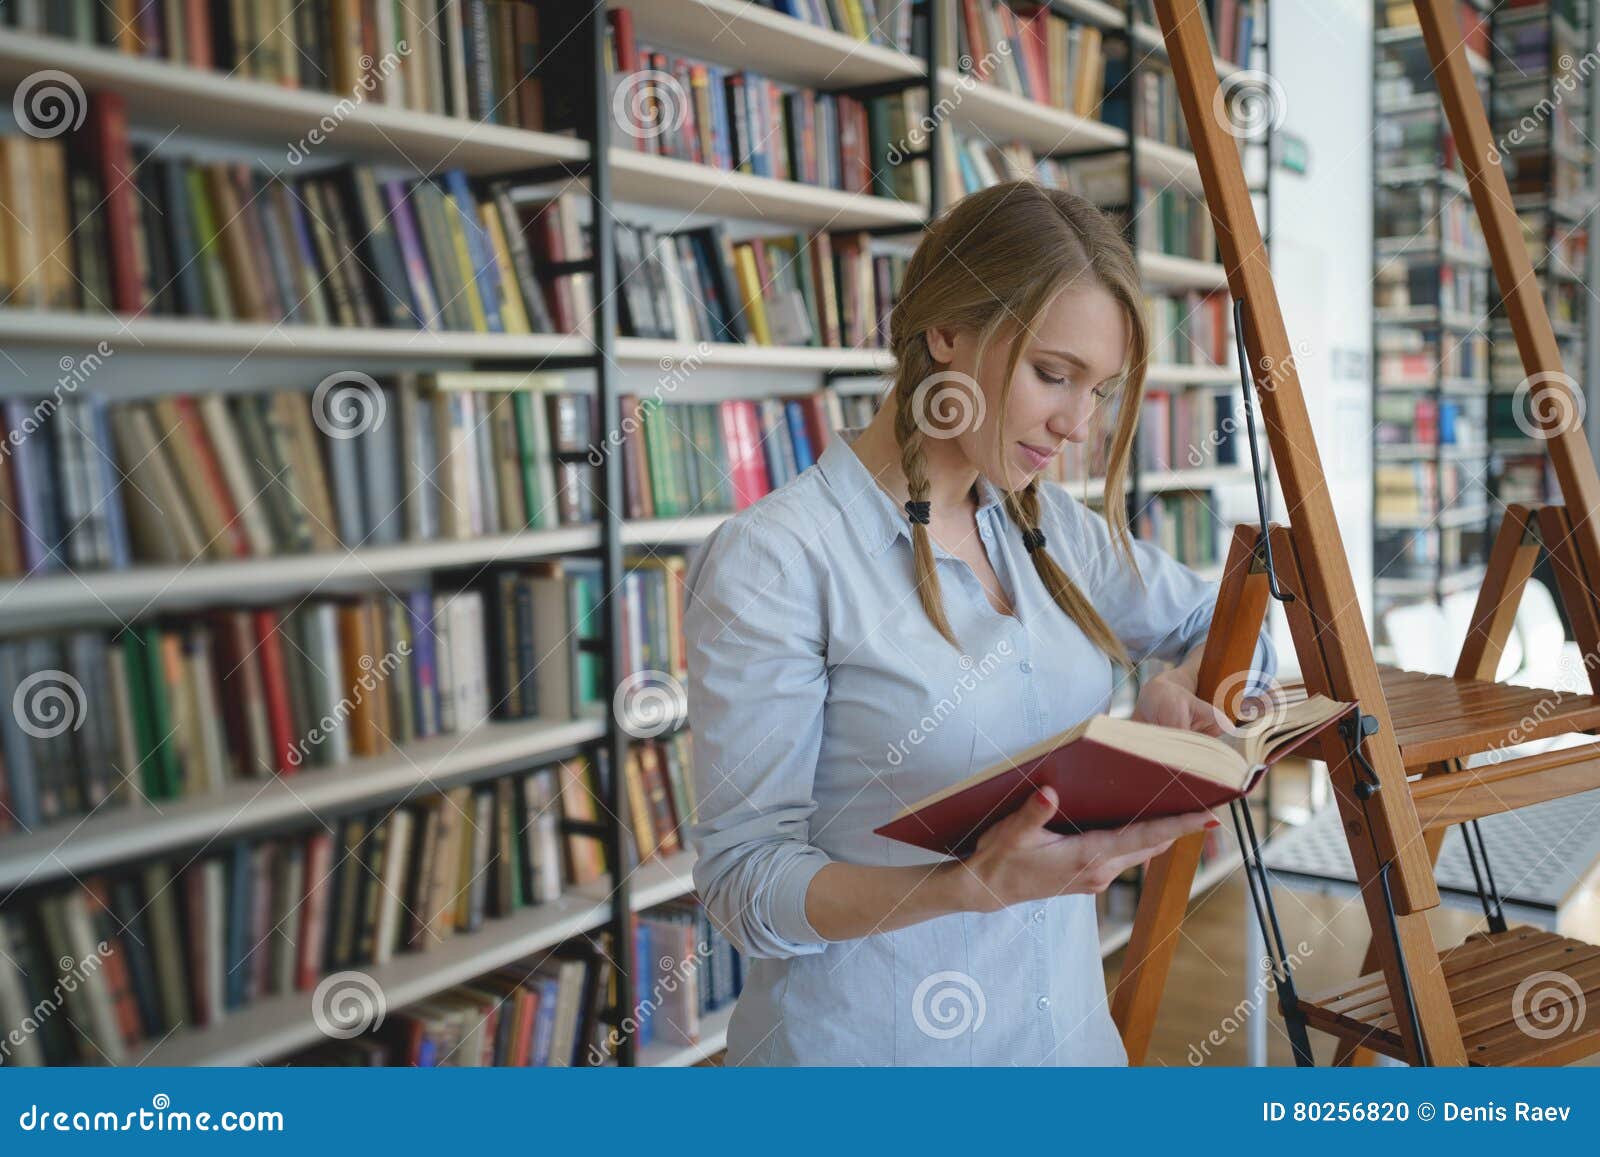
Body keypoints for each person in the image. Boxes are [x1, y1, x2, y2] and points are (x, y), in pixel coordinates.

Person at [683, 179, 1276, 1065]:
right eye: (1053, 374)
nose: (1078, 425)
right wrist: (962, 887)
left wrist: (1179, 685)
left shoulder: (1049, 525)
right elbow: (742, 886)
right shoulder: (778, 558)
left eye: (1101, 389)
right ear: (947, 330)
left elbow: (1225, 619)